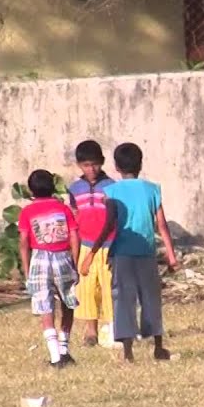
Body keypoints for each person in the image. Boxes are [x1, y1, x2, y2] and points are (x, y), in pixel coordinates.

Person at [80, 142, 179, 362]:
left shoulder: (112, 192)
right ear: (140, 164)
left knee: (123, 300)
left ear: (116, 166)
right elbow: (162, 225)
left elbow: (109, 226)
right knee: (151, 299)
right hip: (146, 252)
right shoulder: (152, 189)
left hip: (122, 255)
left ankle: (128, 353)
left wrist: (92, 253)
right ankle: (158, 347)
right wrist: (171, 256)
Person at [18, 169, 81, 368]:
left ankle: (55, 357)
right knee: (68, 302)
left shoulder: (27, 212)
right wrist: (75, 262)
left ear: (31, 190)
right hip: (63, 256)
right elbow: (74, 236)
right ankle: (64, 349)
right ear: (53, 186)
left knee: (45, 305)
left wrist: (27, 270)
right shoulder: (63, 209)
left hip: (40, 258)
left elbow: (24, 242)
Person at [67, 140, 116, 348]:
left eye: (95, 164)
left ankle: (111, 329)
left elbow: (115, 218)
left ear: (102, 162)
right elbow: (74, 218)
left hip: (108, 245)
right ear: (79, 165)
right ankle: (90, 331)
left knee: (108, 286)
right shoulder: (74, 189)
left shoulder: (112, 186)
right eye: (86, 165)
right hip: (85, 244)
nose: (91, 169)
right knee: (86, 288)